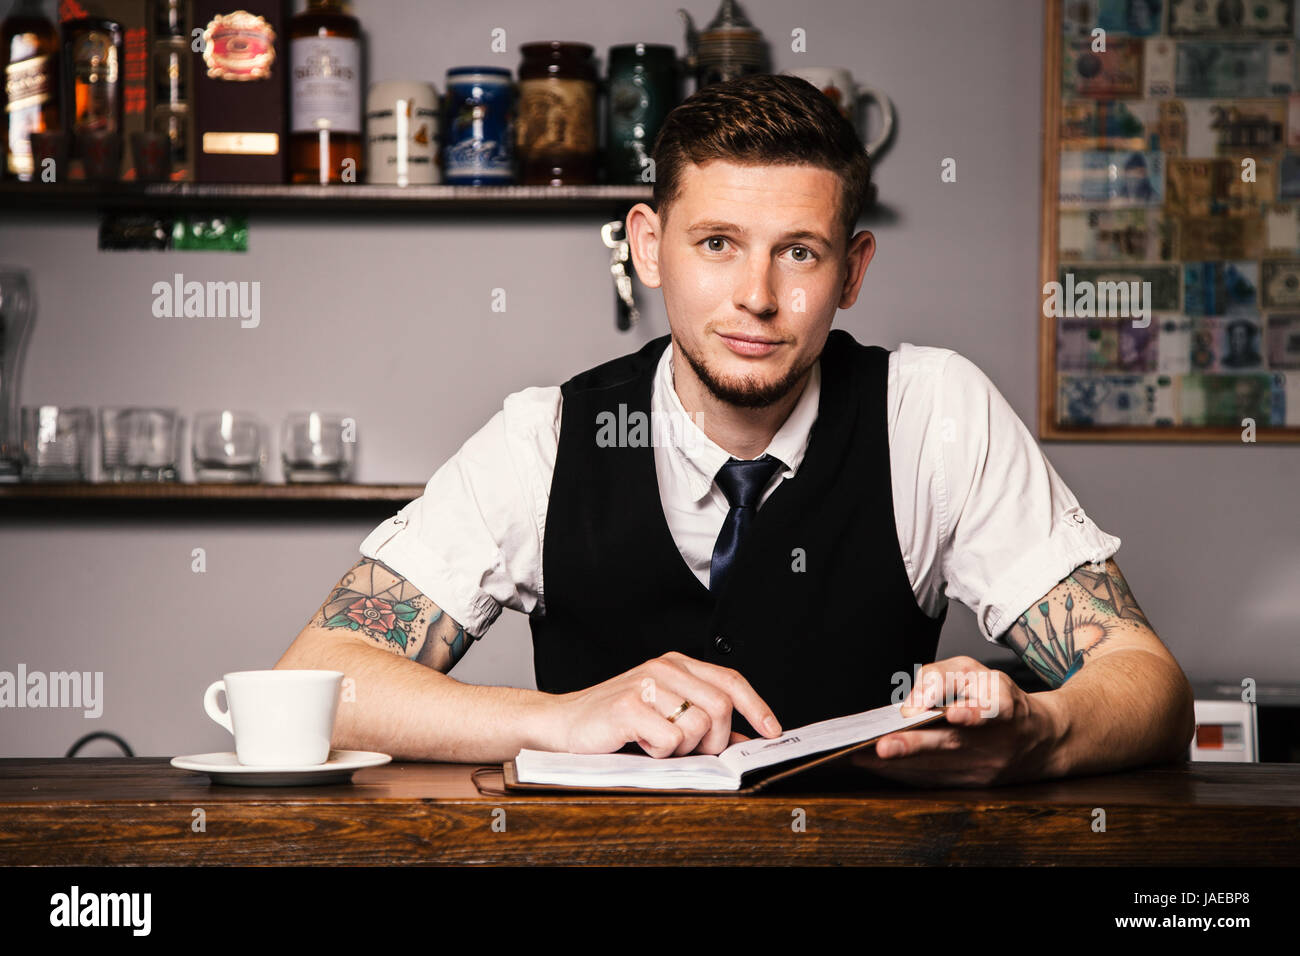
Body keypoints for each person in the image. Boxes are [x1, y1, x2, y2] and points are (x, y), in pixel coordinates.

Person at [277, 74, 1194, 787]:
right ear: (646, 247)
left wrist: (1039, 734)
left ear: (854, 269)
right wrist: (557, 719)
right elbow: (319, 681)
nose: (757, 296)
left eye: (799, 251)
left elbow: (1151, 687)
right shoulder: (546, 438)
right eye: (716, 243)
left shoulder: (932, 414)